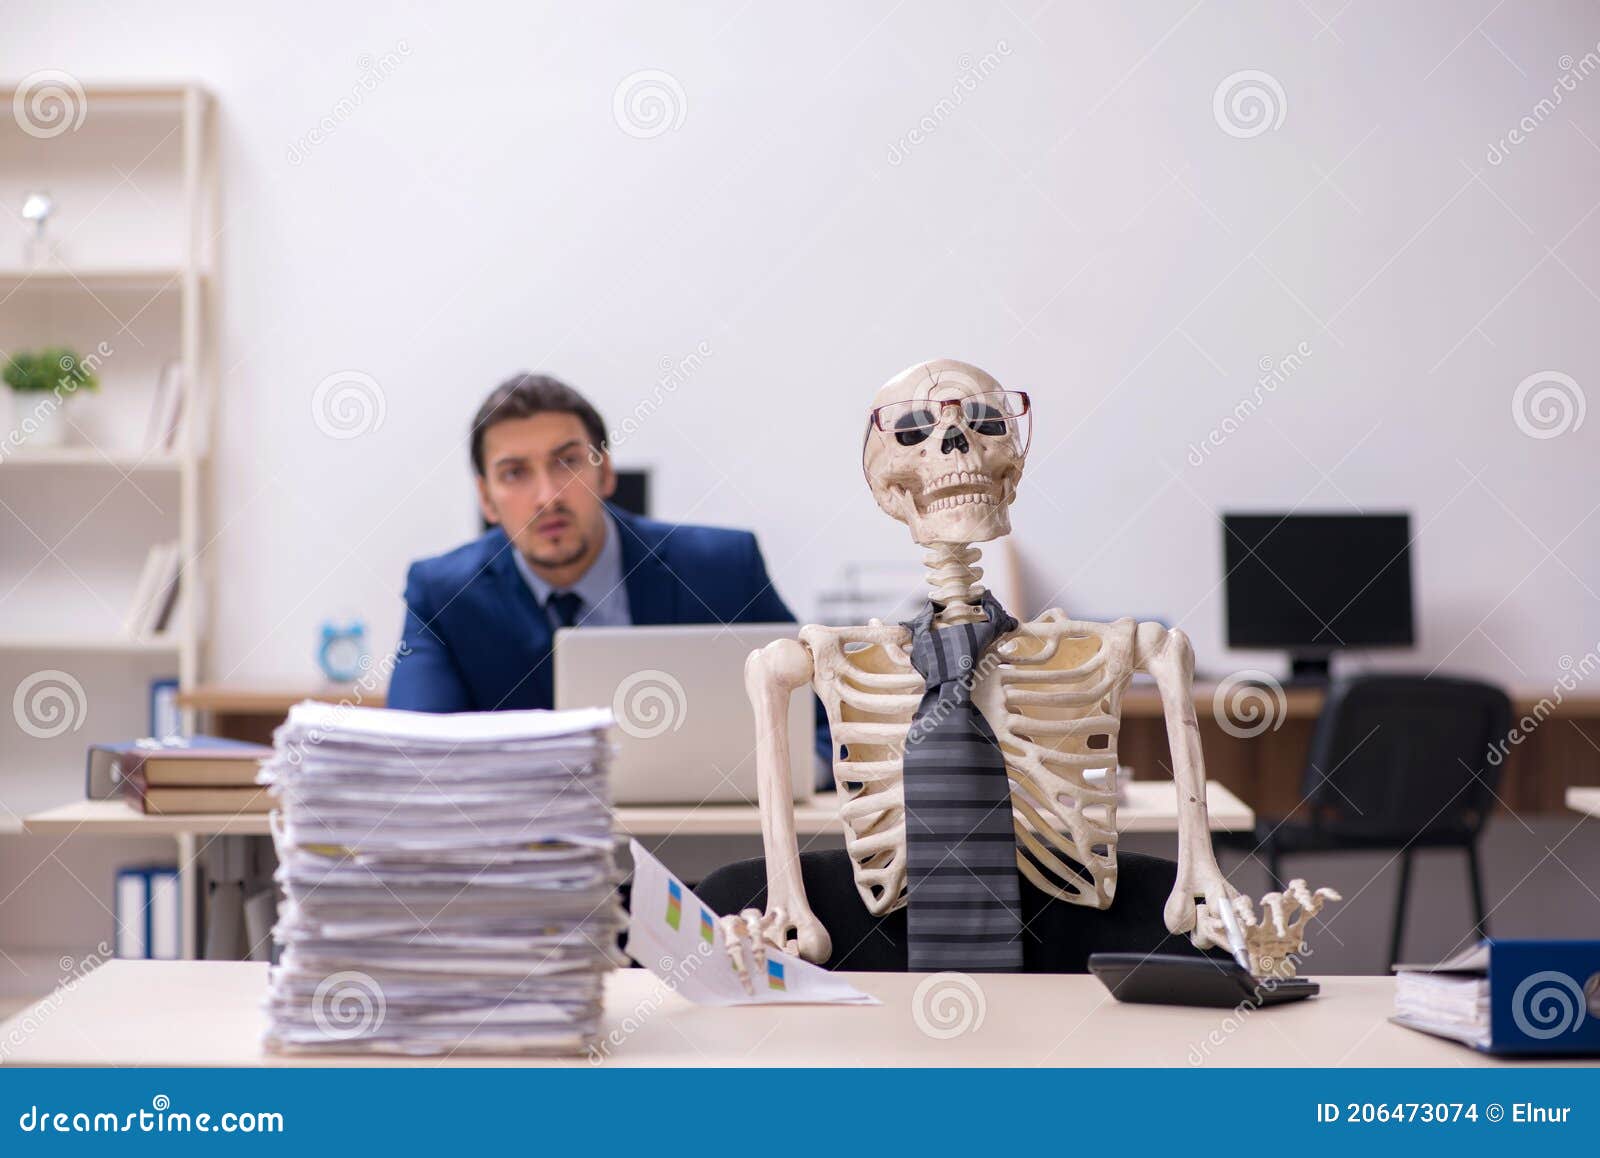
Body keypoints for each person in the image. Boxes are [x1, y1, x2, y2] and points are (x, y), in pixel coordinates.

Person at [387, 373, 831, 765]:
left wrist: (786, 783)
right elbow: (413, 759)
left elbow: (832, 729)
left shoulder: (723, 569)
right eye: (515, 473)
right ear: (486, 498)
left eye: (567, 462)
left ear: (606, 472)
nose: (547, 496)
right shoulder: (442, 594)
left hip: (704, 831)